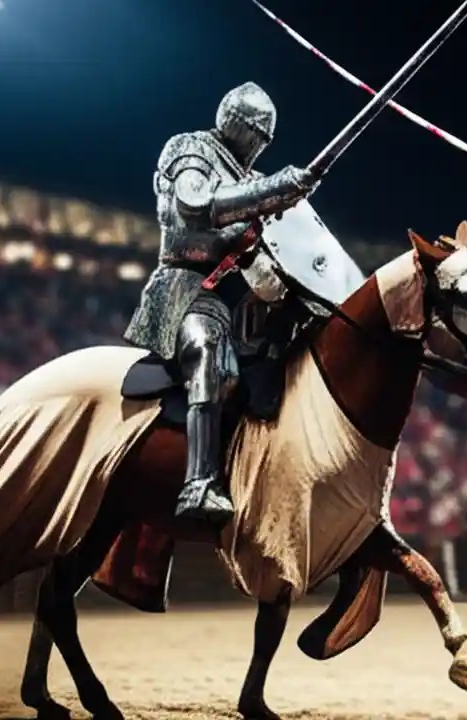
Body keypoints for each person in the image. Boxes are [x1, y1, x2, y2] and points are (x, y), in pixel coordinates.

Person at [123, 81, 312, 527]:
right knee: (208, 349)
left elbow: (260, 252)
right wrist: (273, 189)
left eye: (266, 141)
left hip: (237, 296)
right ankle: (199, 484)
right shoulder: (191, 148)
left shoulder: (248, 179)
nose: (259, 147)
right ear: (237, 124)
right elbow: (196, 205)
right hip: (187, 286)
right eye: (257, 135)